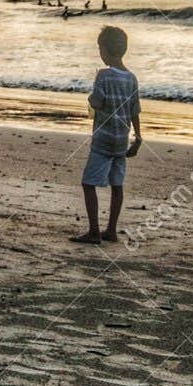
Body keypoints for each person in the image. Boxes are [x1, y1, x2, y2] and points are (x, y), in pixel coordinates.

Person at [71, 26, 142, 245]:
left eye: (100, 49)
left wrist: (90, 98)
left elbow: (97, 102)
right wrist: (138, 137)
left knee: (88, 182)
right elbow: (135, 110)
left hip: (103, 139)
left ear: (105, 50)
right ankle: (111, 229)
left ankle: (94, 230)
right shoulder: (132, 78)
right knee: (117, 184)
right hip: (121, 141)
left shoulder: (103, 76)